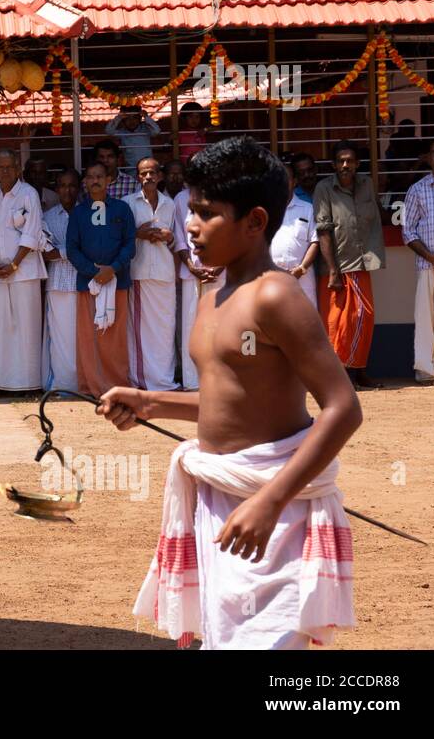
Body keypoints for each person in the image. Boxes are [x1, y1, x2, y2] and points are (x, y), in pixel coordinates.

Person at [98, 136, 360, 649]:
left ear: (255, 222)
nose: (191, 226)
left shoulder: (276, 295)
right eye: (190, 210)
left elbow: (343, 407)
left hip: (274, 508)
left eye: (206, 213)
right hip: (216, 503)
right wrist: (150, 402)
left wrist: (270, 500)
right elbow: (229, 405)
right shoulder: (210, 295)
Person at [315, 141, 385, 390]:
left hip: (362, 263)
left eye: (350, 161)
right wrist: (333, 270)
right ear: (334, 165)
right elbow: (323, 230)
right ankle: (341, 376)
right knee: (338, 323)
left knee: (363, 319)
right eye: (341, 161)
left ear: (357, 163)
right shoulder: (324, 188)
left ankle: (359, 370)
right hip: (337, 267)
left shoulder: (366, 184)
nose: (346, 165)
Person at [67, 163, 135, 396]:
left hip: (118, 281)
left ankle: (118, 386)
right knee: (89, 336)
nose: (94, 181)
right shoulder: (78, 213)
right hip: (88, 283)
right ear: (85, 182)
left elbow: (130, 245)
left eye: (99, 177)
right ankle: (90, 386)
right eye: (90, 177)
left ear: (108, 181)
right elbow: (71, 248)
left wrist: (113, 269)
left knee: (115, 337)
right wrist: (93, 271)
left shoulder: (122, 209)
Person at [0, 149, 46, 392]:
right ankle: (3, 382)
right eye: (0, 167)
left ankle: (29, 383)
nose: (4, 172)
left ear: (18, 168)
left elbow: (32, 233)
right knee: (4, 328)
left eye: (9, 167)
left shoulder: (28, 194)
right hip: (0, 272)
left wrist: (13, 265)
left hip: (24, 272)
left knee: (27, 328)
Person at [125, 157, 177, 391]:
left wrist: (169, 236)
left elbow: (178, 240)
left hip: (165, 273)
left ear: (160, 176)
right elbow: (122, 238)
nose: (148, 177)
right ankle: (142, 380)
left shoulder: (170, 204)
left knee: (165, 330)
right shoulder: (129, 203)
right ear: (138, 177)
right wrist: (139, 234)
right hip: (140, 272)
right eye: (143, 173)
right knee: (140, 331)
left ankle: (164, 381)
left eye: (152, 173)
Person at [401, 137, 434, 383]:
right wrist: (432, 257)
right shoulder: (417, 190)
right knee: (429, 321)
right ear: (429, 158)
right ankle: (430, 371)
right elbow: (408, 231)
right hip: (429, 267)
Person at [173, 173, 225, 390]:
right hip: (191, 272)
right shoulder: (180, 199)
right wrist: (192, 267)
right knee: (191, 327)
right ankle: (192, 381)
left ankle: (219, 379)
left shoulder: (223, 195)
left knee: (219, 325)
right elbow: (178, 238)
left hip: (219, 272)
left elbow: (228, 233)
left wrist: (220, 265)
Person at [41, 168, 80, 390]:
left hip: (84, 285)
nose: (68, 190)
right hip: (57, 285)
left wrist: (62, 252)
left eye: (72, 185)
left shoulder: (87, 213)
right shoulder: (48, 216)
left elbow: (92, 249)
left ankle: (80, 384)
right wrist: (73, 252)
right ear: (57, 189)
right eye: (63, 185)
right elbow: (45, 253)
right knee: (60, 340)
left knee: (80, 340)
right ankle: (61, 386)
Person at [271, 161, 320, 310]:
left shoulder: (307, 209)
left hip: (302, 278)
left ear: (294, 182)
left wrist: (302, 267)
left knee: (304, 324)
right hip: (273, 277)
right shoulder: (266, 211)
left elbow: (315, 241)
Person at [105, 105, 161, 176]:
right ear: (123, 120)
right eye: (128, 118)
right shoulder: (122, 132)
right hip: (131, 170)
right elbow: (109, 131)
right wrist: (118, 117)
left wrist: (146, 117)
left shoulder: (145, 129)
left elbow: (156, 131)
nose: (131, 121)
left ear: (140, 118)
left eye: (135, 118)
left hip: (148, 168)